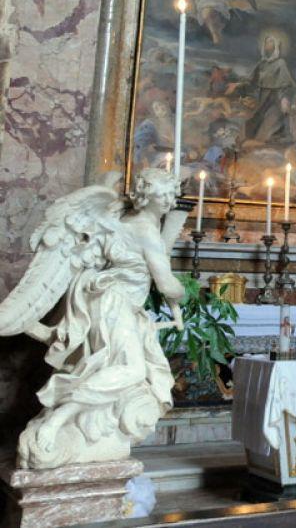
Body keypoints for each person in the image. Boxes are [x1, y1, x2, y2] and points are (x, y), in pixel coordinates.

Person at [0, 168, 187, 468]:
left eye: (171, 193)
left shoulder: (122, 218)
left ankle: (64, 422)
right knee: (133, 371)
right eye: (163, 194)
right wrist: (182, 292)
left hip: (106, 302)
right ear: (147, 196)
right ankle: (56, 421)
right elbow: (166, 284)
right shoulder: (146, 229)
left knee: (106, 368)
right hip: (115, 304)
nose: (170, 200)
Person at [233, 34, 296, 149]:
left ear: (276, 46)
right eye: (266, 43)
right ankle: (247, 144)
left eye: (271, 42)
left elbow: (288, 83)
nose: (268, 45)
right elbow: (251, 80)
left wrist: (284, 98)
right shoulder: (262, 64)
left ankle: (275, 141)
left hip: (277, 97)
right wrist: (237, 84)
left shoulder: (280, 63)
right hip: (263, 97)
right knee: (252, 119)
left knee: (275, 121)